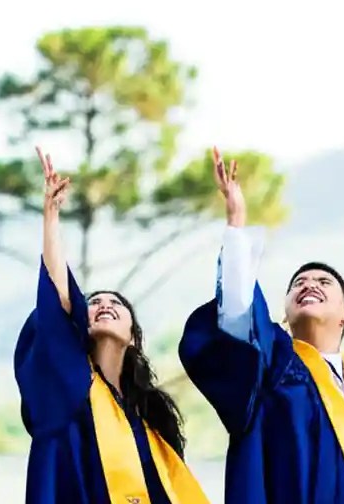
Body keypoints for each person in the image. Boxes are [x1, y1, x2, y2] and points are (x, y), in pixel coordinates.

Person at [178, 148, 344, 504]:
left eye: (324, 282)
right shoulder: (270, 369)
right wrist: (236, 223)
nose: (309, 284)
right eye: (298, 284)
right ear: (283, 314)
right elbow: (239, 319)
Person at [14, 148, 207, 504]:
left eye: (116, 304)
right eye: (94, 303)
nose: (103, 305)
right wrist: (51, 220)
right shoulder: (66, 392)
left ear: (133, 336)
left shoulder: (149, 413)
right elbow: (56, 301)